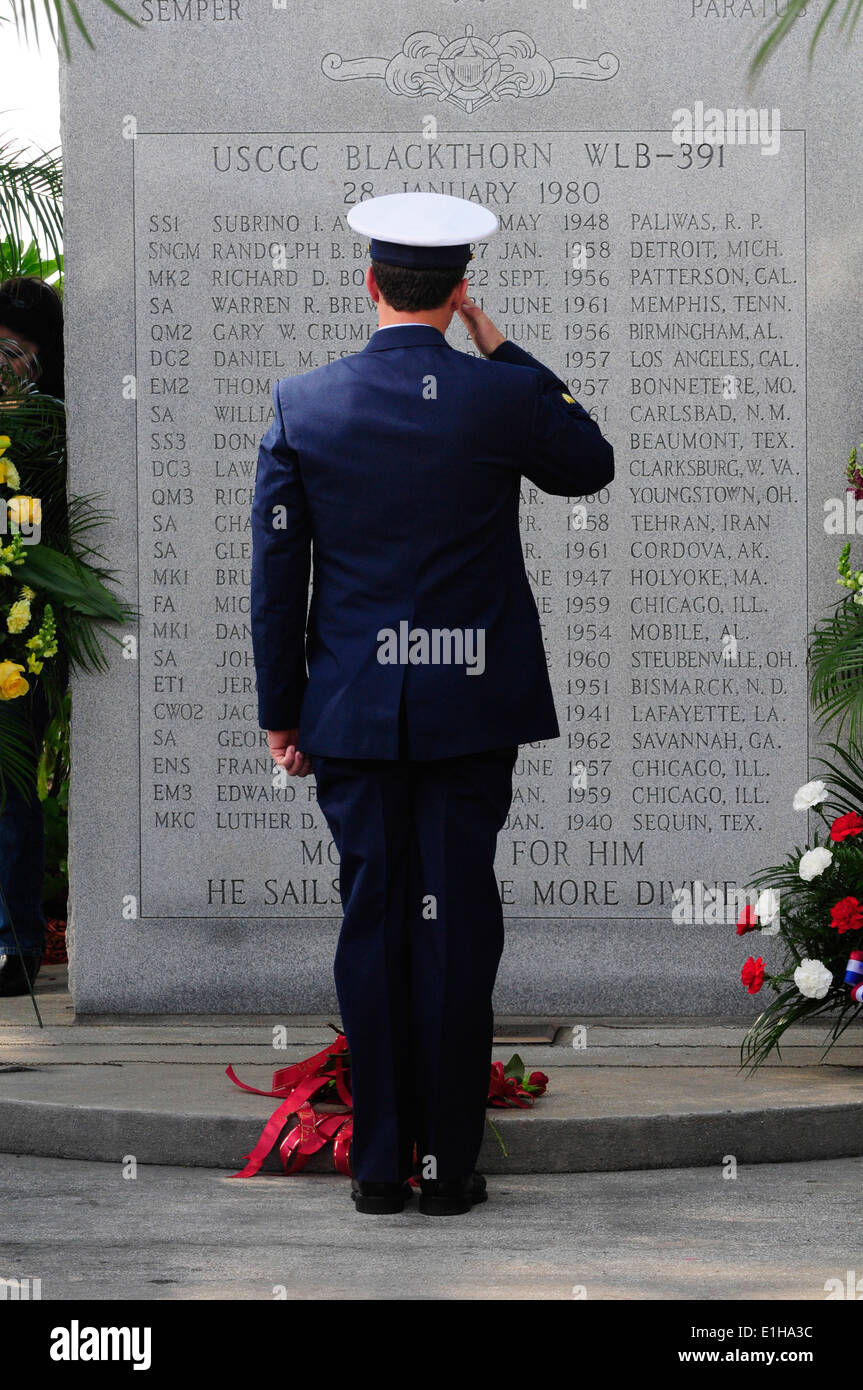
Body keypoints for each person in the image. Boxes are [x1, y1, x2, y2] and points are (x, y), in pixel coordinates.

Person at [250, 192, 614, 1216]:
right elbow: (589, 463)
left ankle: (376, 1167)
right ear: (456, 293)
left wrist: (283, 711)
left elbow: (277, 576)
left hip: (353, 711)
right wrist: (496, 346)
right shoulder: (497, 399)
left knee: (371, 920)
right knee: (455, 923)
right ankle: (447, 1167)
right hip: (468, 708)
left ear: (368, 284)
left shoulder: (303, 403)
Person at [0, 276, 65, 997]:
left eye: (14, 350)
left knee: (11, 790)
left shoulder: (51, 424)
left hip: (20, 632)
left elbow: (39, 526)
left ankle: (17, 942)